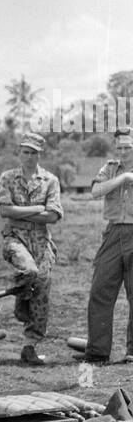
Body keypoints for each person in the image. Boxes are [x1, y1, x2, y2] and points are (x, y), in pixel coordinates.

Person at [0, 132, 62, 365]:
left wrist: (19, 211)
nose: (29, 156)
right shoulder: (8, 177)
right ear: (19, 152)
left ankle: (30, 345)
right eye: (25, 151)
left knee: (42, 289)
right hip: (15, 238)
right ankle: (21, 300)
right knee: (29, 271)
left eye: (33, 153)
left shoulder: (50, 180)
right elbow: (3, 210)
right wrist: (37, 208)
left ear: (39, 154)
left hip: (42, 242)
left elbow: (52, 215)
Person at [83, 130, 133, 364]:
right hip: (113, 232)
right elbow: (95, 192)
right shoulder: (110, 168)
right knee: (100, 290)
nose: (123, 152)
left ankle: (131, 353)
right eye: (120, 148)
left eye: (128, 147)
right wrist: (122, 179)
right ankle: (97, 352)